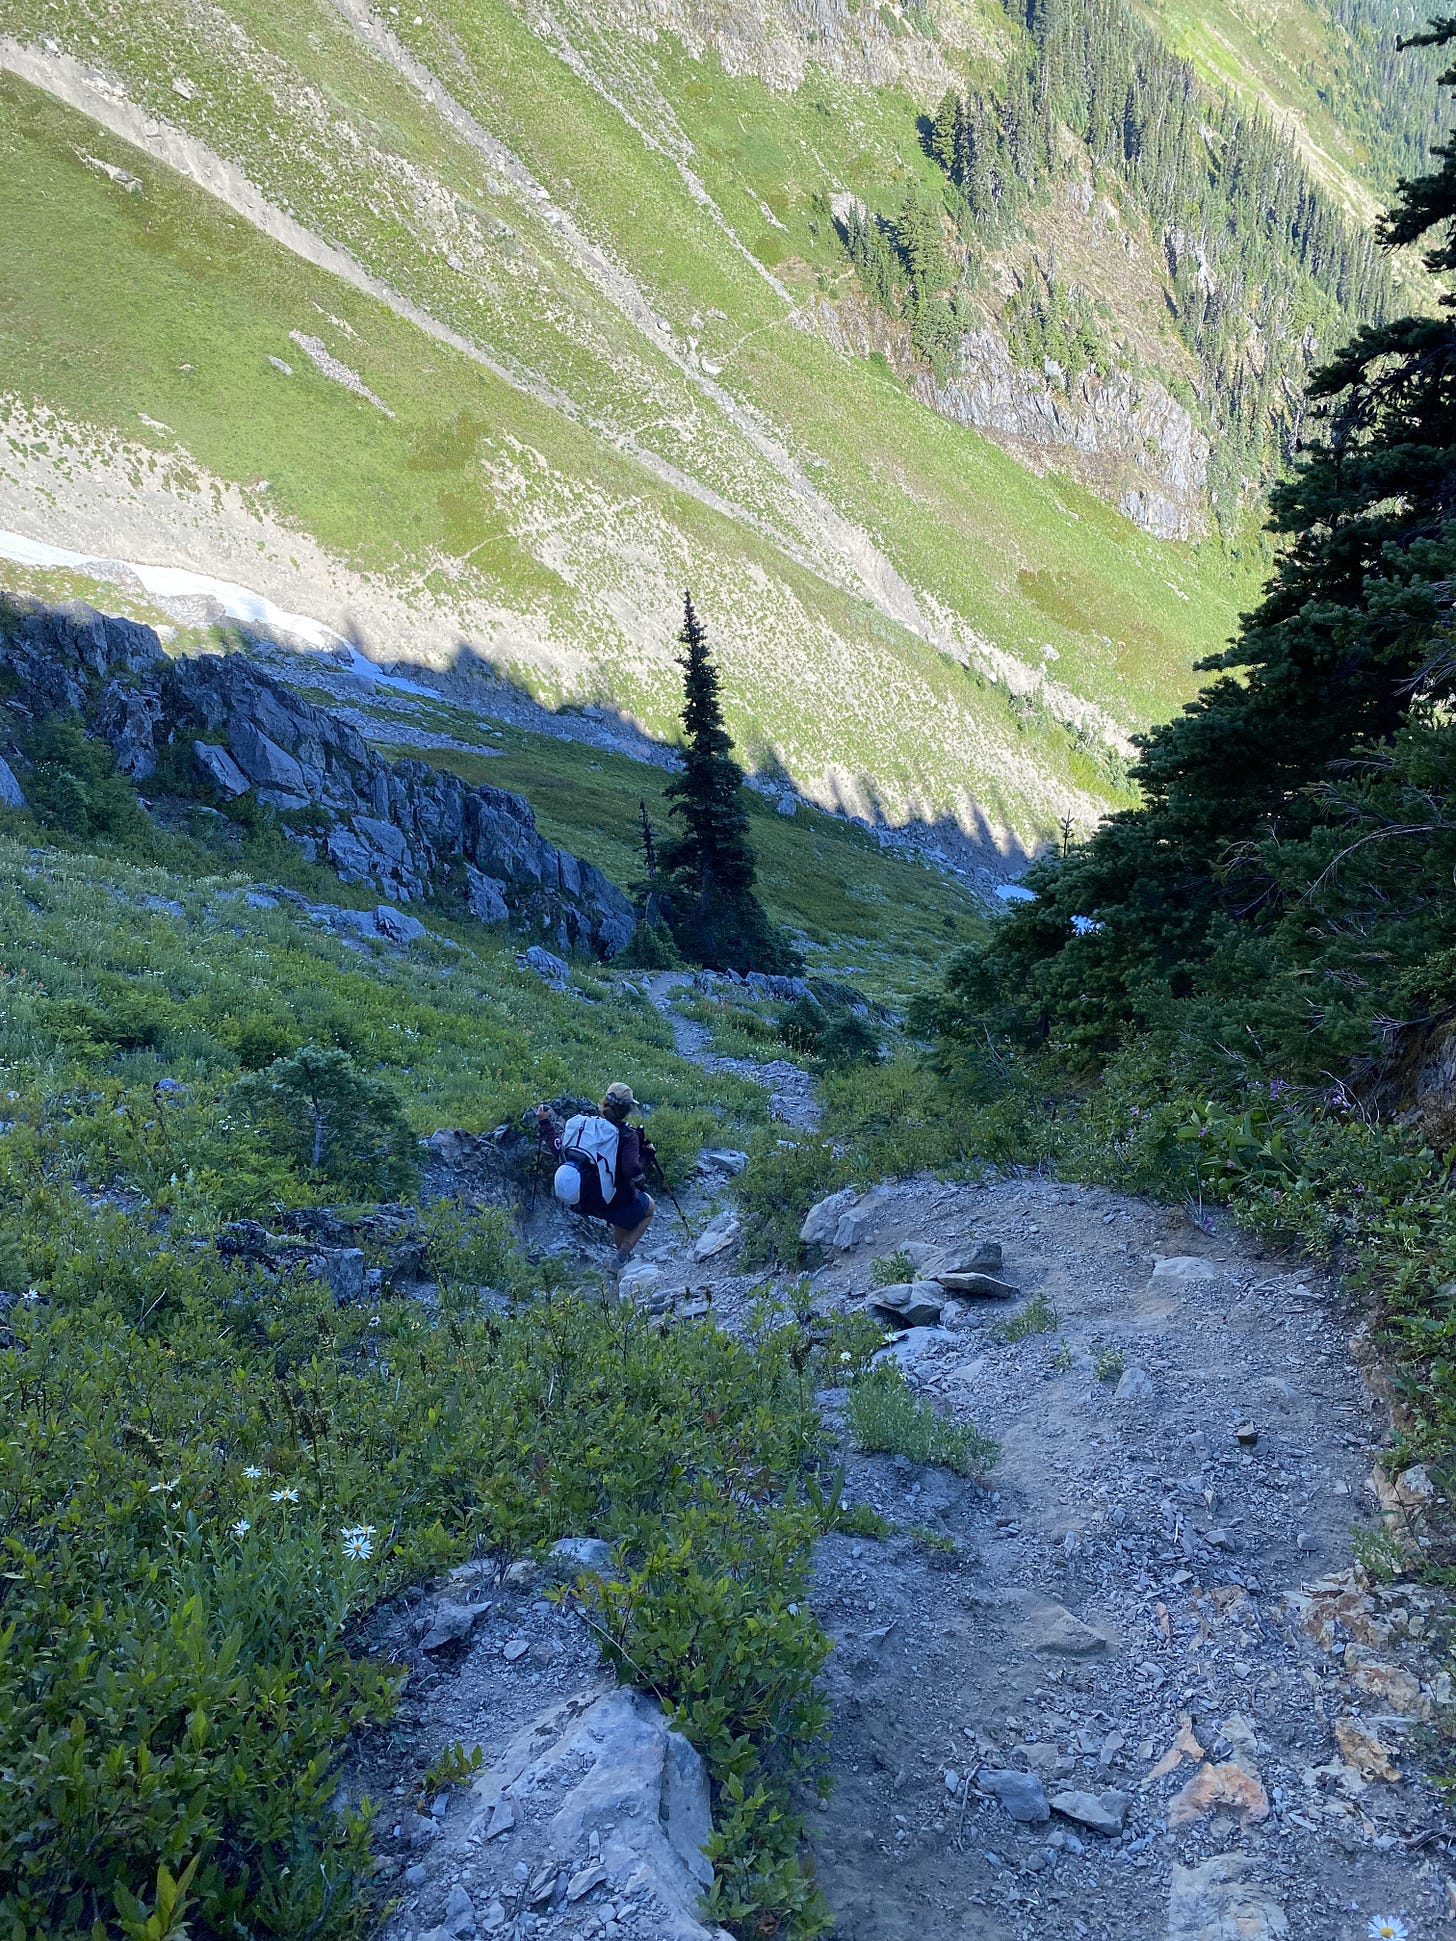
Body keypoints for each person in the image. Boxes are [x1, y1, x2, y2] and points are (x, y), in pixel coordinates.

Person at [535, 1082, 656, 1279]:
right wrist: (648, 1155)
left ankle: (622, 1258)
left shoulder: (586, 1128)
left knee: (620, 1212)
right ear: (628, 1109)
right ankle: (621, 1258)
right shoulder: (628, 1136)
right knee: (648, 1207)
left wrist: (545, 1123)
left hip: (582, 1200)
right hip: (610, 1202)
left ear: (604, 1103)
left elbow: (559, 1149)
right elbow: (632, 1170)